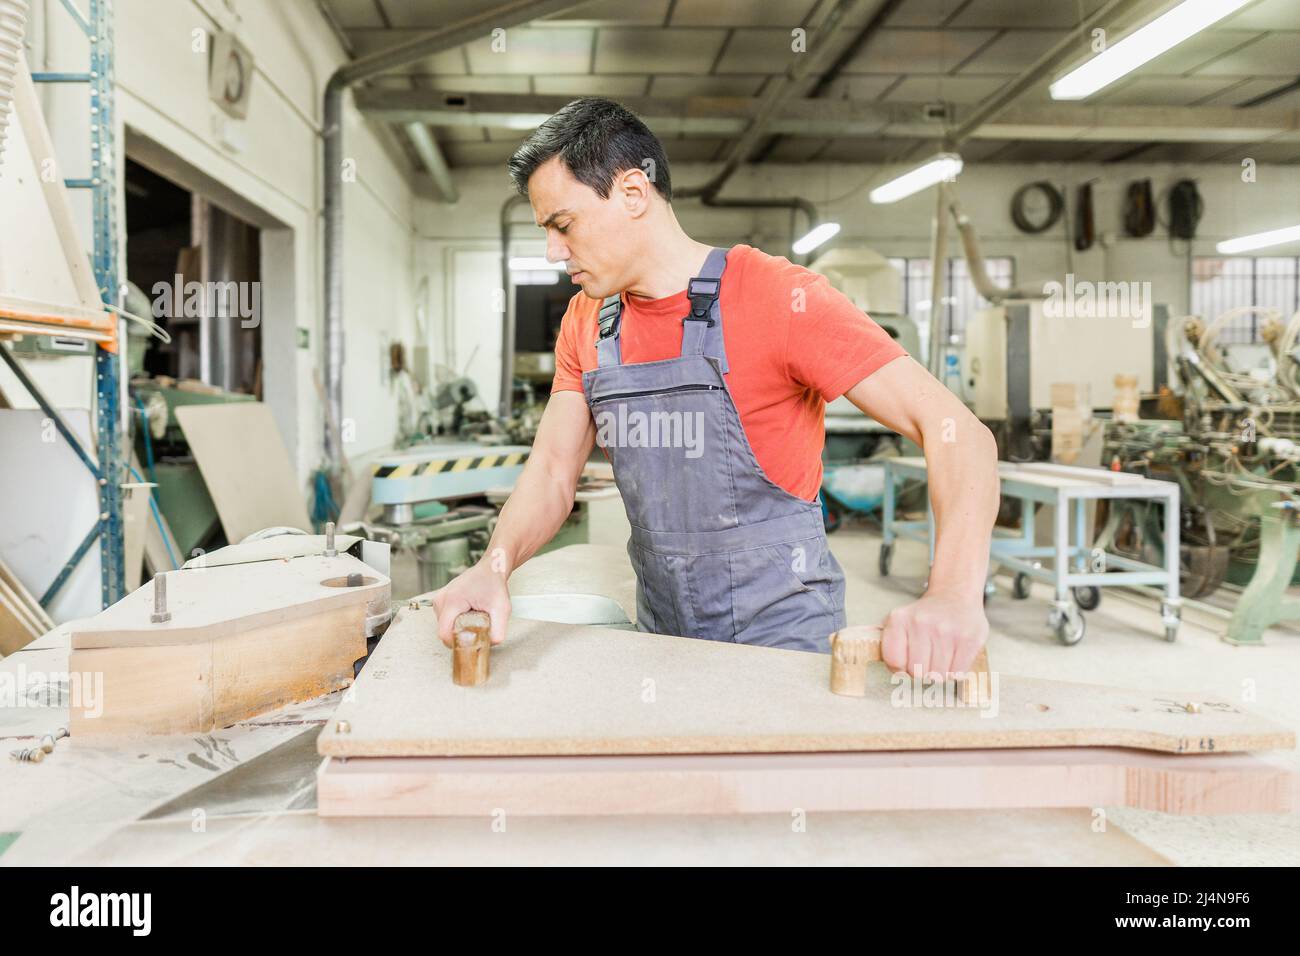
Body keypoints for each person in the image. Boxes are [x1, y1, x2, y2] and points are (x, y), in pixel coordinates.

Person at [433, 98, 998, 681]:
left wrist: (953, 593)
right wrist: (492, 567)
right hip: (662, 632)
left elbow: (959, 434)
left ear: (633, 193)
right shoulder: (587, 320)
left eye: (563, 225)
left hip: (782, 641)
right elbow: (553, 472)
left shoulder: (778, 296)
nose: (553, 251)